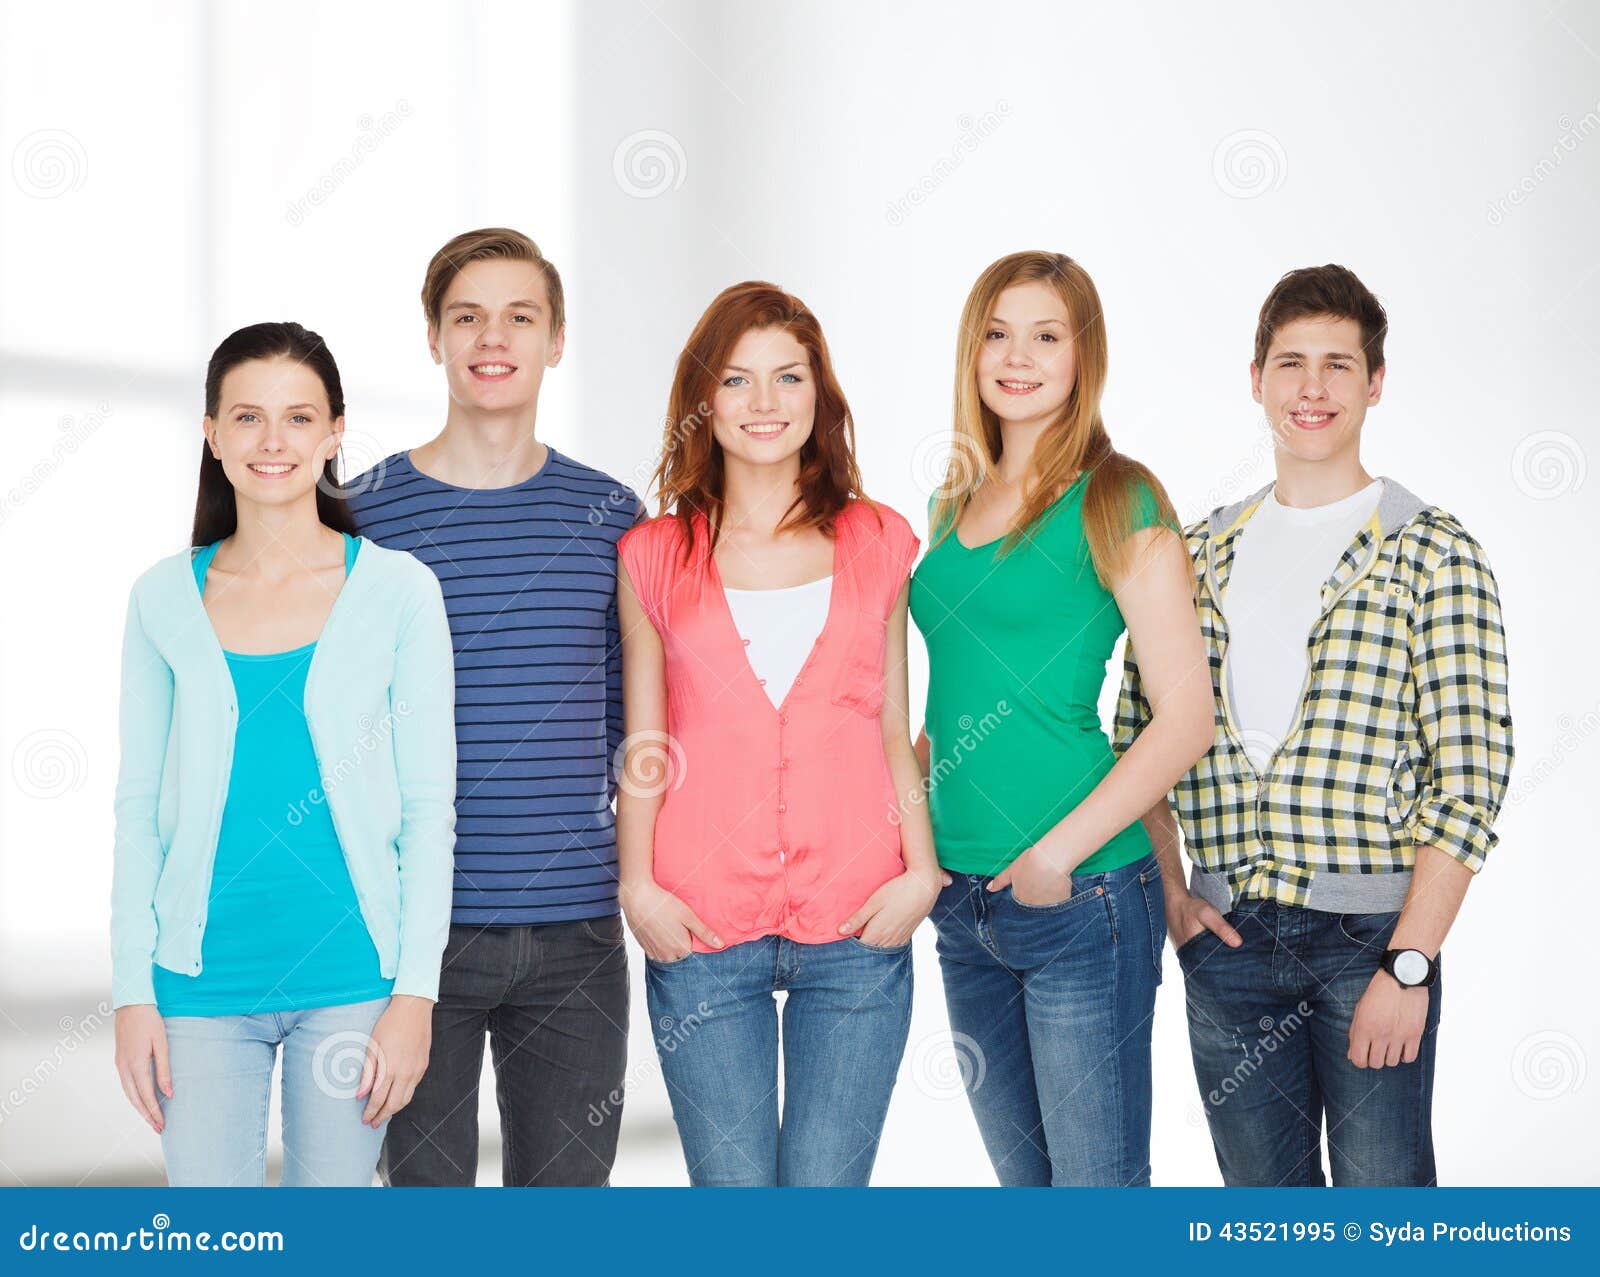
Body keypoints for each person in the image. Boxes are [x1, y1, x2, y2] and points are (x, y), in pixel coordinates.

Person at [1116, 264, 1514, 1186]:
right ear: (1254, 378)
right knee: (1268, 1221)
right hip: (1229, 942)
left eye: (1339, 364)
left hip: (1369, 944)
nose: (1312, 387)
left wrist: (1409, 964)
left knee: (1386, 1217)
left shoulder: (1432, 552)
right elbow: (1136, 740)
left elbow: (1470, 775)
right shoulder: (1198, 549)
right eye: (1291, 362)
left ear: (1375, 383)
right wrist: (1174, 895)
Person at [110, 322, 456, 1186]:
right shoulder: (161, 598)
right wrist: (130, 991)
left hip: (351, 978)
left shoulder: (400, 591)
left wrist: (416, 994)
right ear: (212, 433)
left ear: (336, 431)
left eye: (299, 418)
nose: (274, 442)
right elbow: (135, 805)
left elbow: (428, 808)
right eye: (249, 417)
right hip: (196, 985)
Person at [616, 281, 941, 1186]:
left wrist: (921, 872)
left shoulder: (880, 539)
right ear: (703, 403)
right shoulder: (654, 553)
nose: (764, 404)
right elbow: (648, 741)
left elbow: (891, 722)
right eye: (737, 380)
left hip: (859, 916)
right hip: (700, 917)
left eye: (788, 378)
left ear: (819, 394)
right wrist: (636, 885)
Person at [341, 229, 640, 1186]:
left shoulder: (611, 515)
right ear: (434, 338)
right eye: (467, 315)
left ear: (557, 339)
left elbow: (633, 728)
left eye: (521, 315)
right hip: (410, 947)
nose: (492, 336)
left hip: (577, 940)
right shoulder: (360, 515)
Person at [908, 251, 1214, 1186]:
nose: (1018, 356)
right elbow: (944, 707)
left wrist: (1054, 857)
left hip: (1081, 899)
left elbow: (1186, 717)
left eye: (1047, 336)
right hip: (961, 902)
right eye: (998, 333)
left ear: (1086, 357)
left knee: (1097, 1207)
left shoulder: (1120, 496)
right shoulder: (949, 501)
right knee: (1028, 1203)